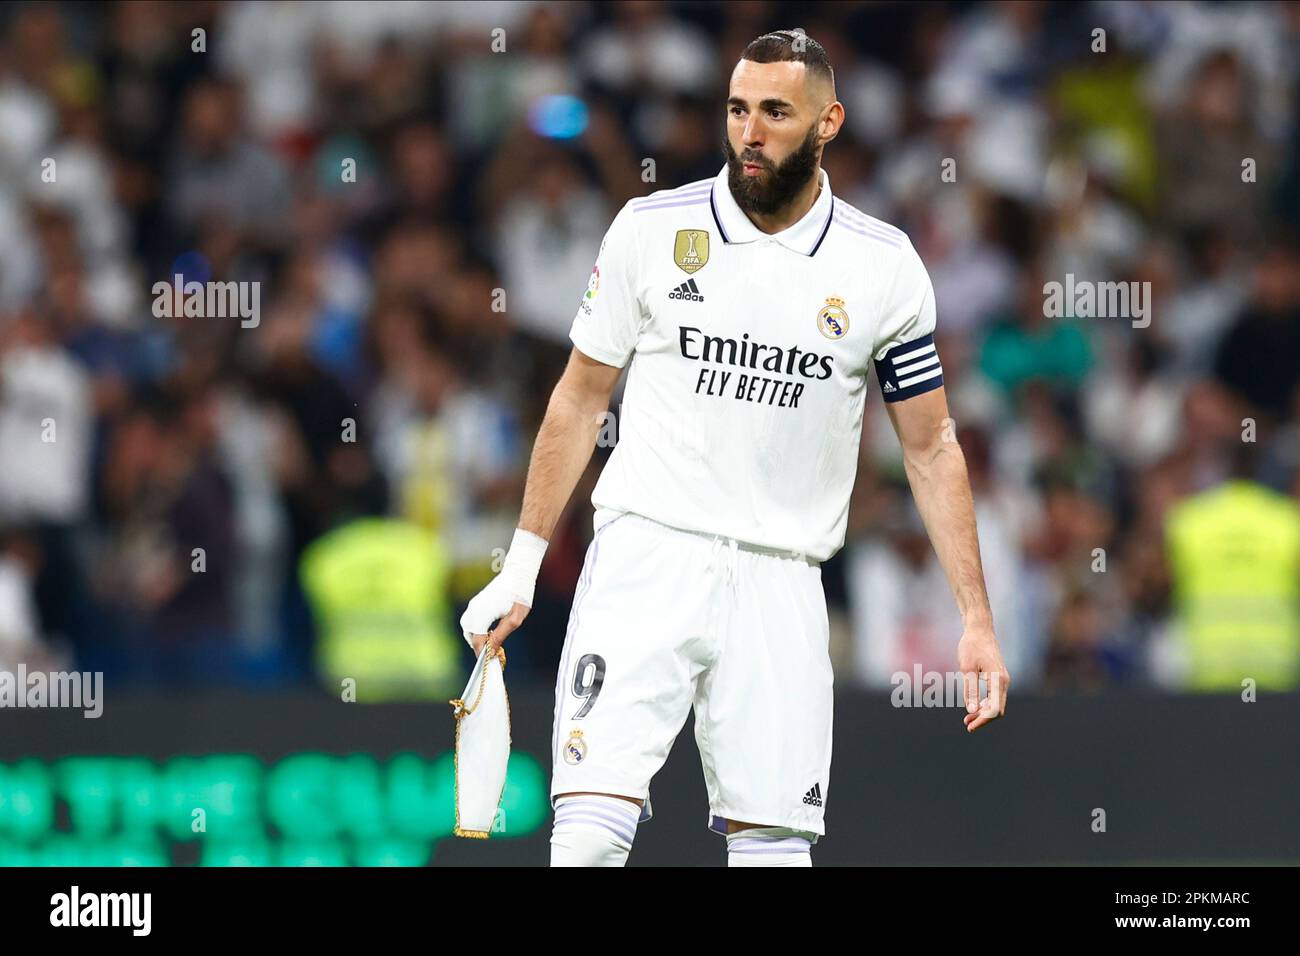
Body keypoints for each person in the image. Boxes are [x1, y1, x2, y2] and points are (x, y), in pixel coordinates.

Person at [459, 29, 1010, 867]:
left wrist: (975, 617)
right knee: (585, 848)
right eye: (738, 109)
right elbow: (579, 397)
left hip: (783, 579)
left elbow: (932, 448)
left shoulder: (883, 267)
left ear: (829, 123)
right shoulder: (650, 230)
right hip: (647, 552)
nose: (750, 131)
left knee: (775, 856)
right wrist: (524, 560)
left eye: (776, 113)